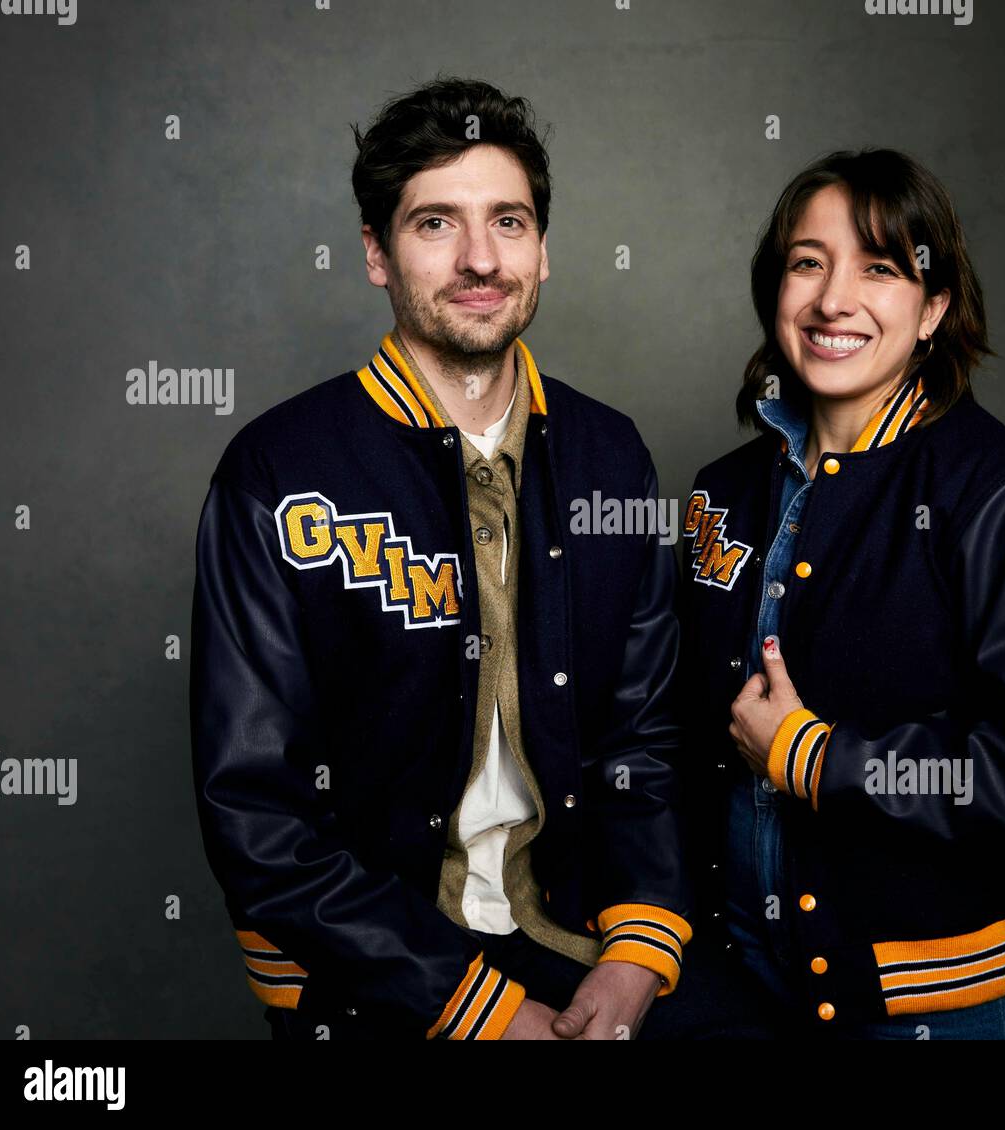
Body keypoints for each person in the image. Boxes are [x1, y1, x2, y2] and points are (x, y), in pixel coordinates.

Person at [189, 77, 690, 1041]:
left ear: (543, 248)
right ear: (377, 254)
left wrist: (639, 951)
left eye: (508, 221)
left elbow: (645, 738)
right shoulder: (277, 468)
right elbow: (255, 810)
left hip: (578, 940)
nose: (479, 259)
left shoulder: (608, 454)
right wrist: (479, 1015)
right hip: (375, 969)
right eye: (434, 224)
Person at [675, 148, 1005, 1039]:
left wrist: (817, 758)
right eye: (809, 263)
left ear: (934, 308)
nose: (834, 299)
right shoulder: (720, 489)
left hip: (922, 1010)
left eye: (880, 268)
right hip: (727, 988)